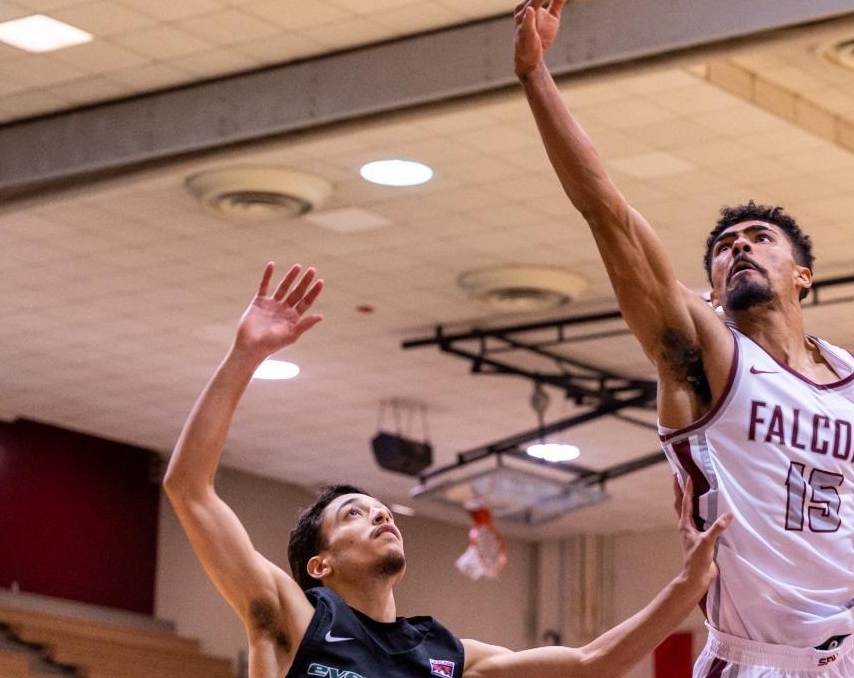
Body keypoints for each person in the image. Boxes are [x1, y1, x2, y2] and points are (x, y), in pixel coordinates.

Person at [513, 0, 854, 678]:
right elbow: (607, 212)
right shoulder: (703, 354)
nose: (739, 247)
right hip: (752, 661)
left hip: (851, 660)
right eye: (724, 247)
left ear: (802, 275)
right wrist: (536, 78)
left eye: (759, 239)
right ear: (711, 288)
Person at [164, 262, 732, 678]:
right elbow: (189, 488)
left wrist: (688, 585)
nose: (381, 516)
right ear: (321, 565)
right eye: (354, 514)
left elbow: (590, 663)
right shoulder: (293, 619)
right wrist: (245, 355)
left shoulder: (443, 654)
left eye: (381, 510)